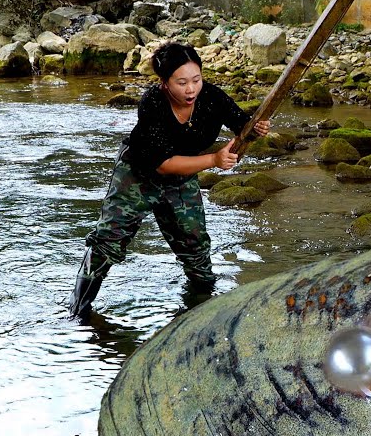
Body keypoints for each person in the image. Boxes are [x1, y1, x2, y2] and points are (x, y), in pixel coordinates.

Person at [69, 42, 270, 318]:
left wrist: (255, 128)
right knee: (108, 243)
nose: (191, 90)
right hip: (138, 174)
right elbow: (162, 165)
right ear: (164, 83)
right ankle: (77, 312)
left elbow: (242, 126)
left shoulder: (211, 97)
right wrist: (214, 160)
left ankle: (199, 312)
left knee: (196, 250)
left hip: (182, 175)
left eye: (196, 80)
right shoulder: (153, 103)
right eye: (182, 82)